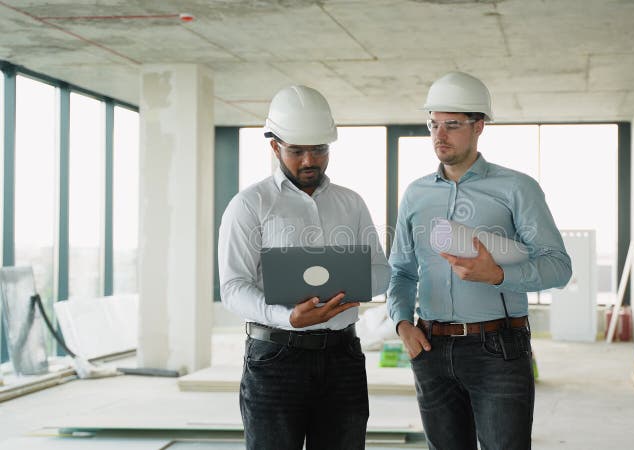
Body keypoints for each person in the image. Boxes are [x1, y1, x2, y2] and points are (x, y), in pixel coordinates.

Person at [387, 72, 572, 450]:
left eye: (452, 125)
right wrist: (402, 323)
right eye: (433, 124)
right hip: (431, 347)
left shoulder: (516, 188)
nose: (439, 136)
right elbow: (401, 271)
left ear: (479, 126)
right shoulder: (416, 194)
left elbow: (558, 265)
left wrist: (499, 274)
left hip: (498, 348)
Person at [218, 85, 390, 450]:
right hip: (276, 359)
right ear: (275, 146)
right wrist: (287, 317)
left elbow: (382, 270)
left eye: (319, 149)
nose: (310, 160)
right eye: (297, 151)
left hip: (343, 357)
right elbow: (233, 286)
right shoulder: (249, 205)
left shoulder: (352, 202)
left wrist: (349, 285)